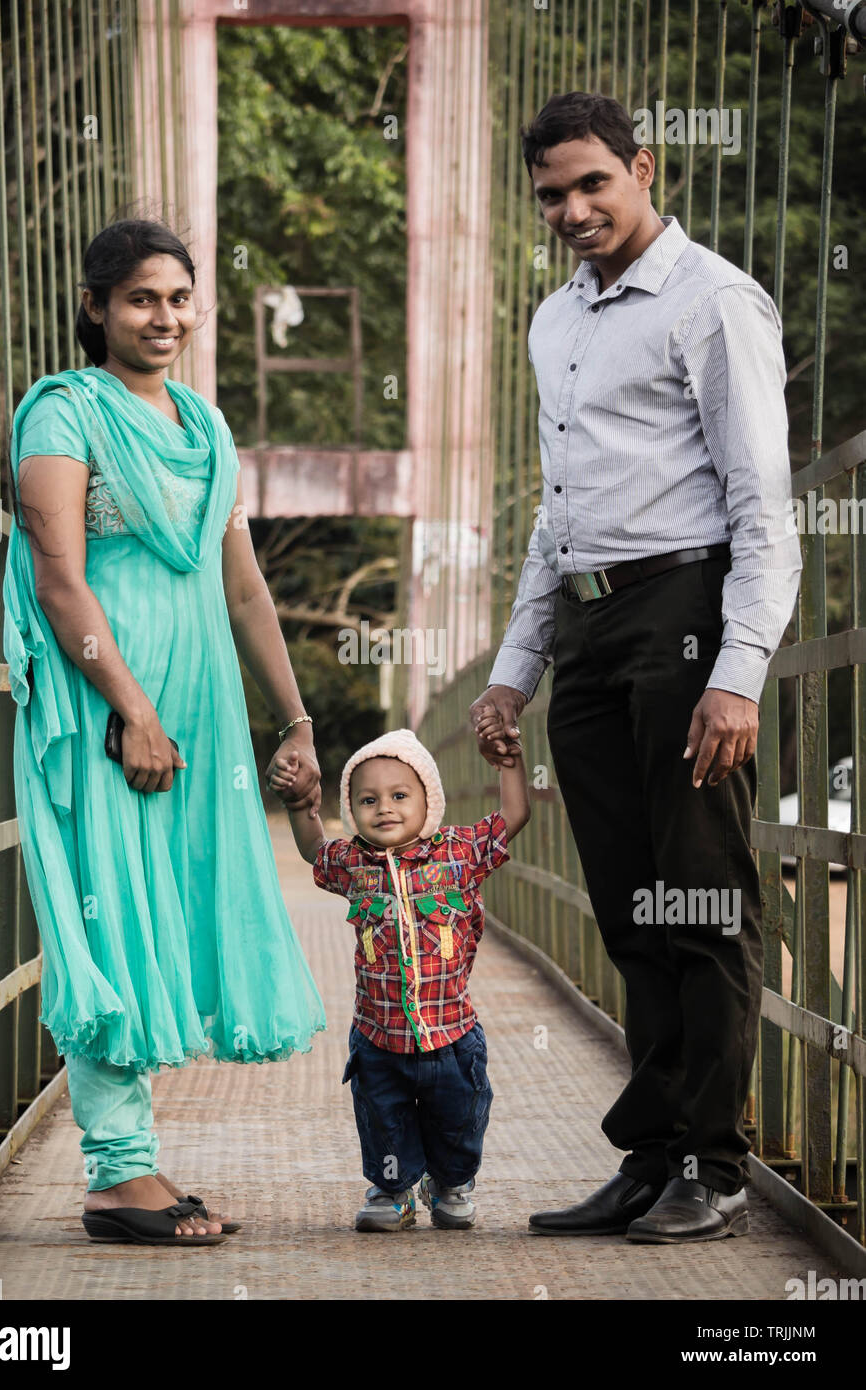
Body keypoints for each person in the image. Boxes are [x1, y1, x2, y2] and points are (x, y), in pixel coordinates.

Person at [469, 92, 802, 1244]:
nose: (571, 209)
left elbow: (761, 501)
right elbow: (552, 515)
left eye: (590, 183)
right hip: (587, 628)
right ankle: (653, 1155)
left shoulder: (712, 301)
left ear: (642, 167)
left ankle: (712, 1163)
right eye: (550, 194)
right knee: (629, 907)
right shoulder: (552, 322)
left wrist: (737, 670)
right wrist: (514, 668)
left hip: (684, 615)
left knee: (700, 897)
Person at [3, 218, 327, 1246]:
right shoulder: (63, 411)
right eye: (141, 298)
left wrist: (295, 720)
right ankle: (116, 1175)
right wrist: (131, 710)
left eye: (179, 298)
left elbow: (243, 588)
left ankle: (134, 1165)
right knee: (109, 913)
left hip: (202, 711)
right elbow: (59, 578)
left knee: (166, 912)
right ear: (96, 306)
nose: (164, 317)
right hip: (107, 706)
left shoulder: (204, 426)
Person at [270, 726, 529, 1231]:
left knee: (459, 1120)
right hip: (378, 1038)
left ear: (429, 800)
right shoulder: (353, 864)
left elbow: (513, 815)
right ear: (352, 809)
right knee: (382, 1120)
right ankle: (393, 1191)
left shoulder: (459, 853)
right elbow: (314, 850)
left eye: (399, 796)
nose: (384, 808)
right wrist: (300, 803)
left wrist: (510, 761)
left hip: (451, 1035)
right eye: (368, 800)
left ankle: (450, 1183)